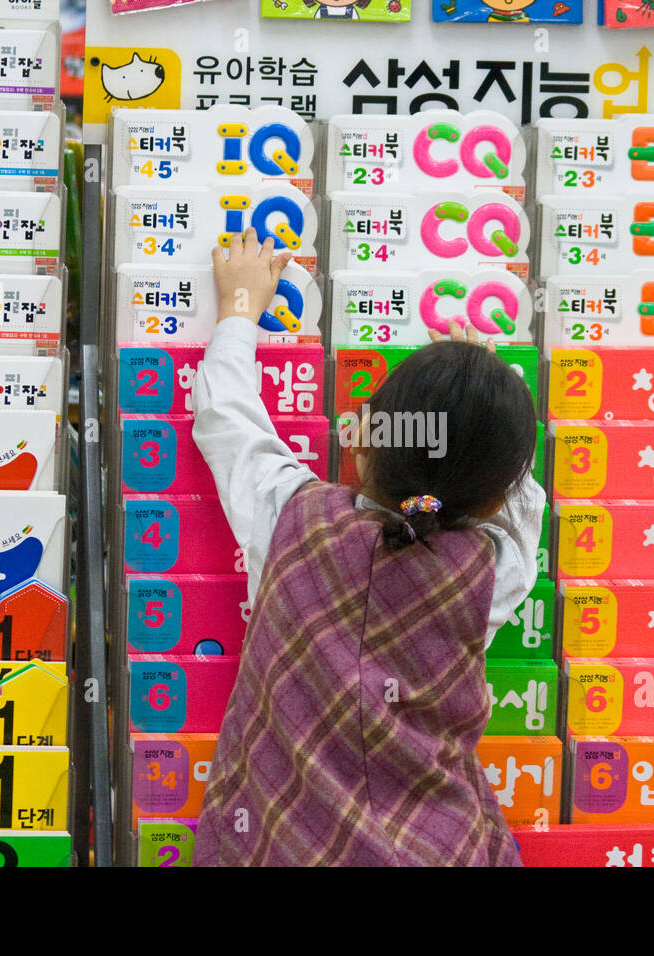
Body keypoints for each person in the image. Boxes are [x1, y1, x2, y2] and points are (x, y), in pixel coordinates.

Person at [190, 228, 544, 866]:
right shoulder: (494, 571)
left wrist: (240, 312)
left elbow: (228, 417)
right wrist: (477, 390)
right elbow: (520, 499)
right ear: (494, 499)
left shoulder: (290, 518)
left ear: (358, 444)